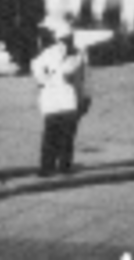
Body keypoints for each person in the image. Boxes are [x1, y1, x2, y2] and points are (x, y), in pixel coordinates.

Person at [32, 21, 90, 177]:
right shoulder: (66, 54)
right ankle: (54, 166)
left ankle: (56, 166)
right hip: (59, 102)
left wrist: (46, 79)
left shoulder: (74, 55)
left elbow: (75, 76)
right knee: (57, 137)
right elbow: (39, 69)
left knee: (59, 137)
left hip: (62, 103)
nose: (68, 42)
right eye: (67, 39)